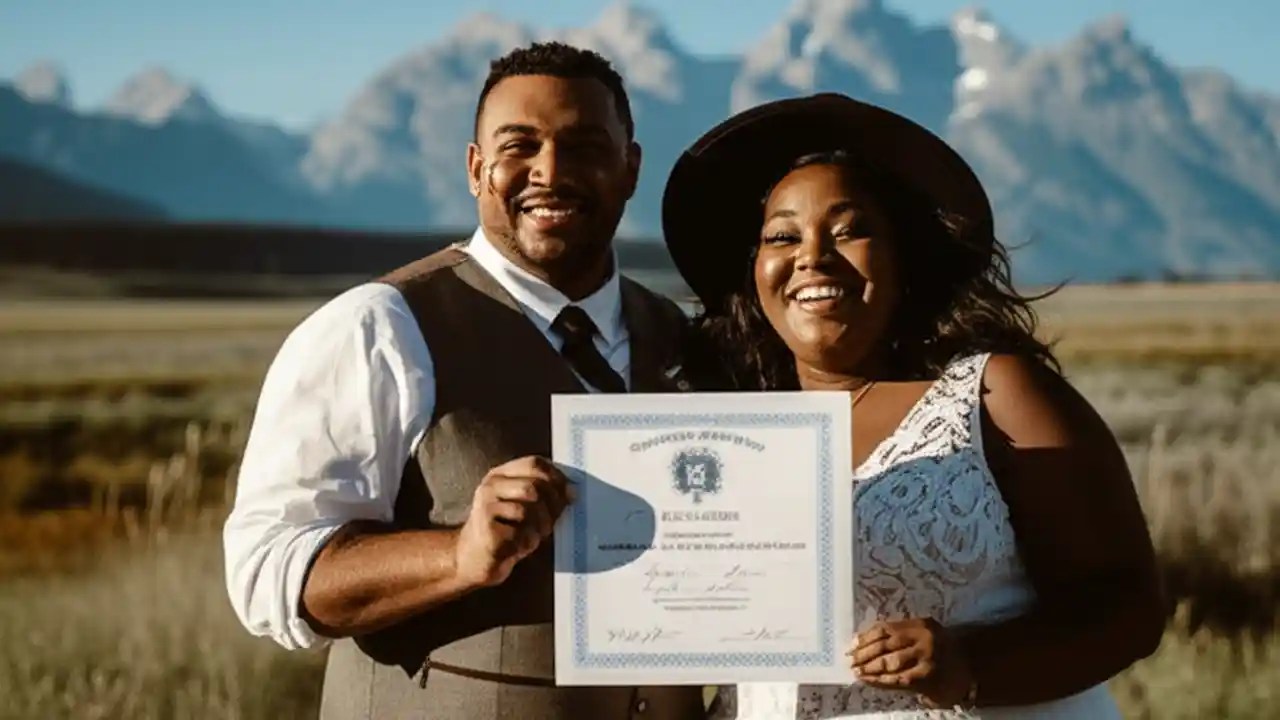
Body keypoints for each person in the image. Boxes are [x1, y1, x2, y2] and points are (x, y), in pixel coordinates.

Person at [223, 41, 704, 720]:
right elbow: (268, 574)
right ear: (476, 169)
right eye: (520, 146)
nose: (550, 171)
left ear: (630, 169)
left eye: (585, 146)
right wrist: (458, 555)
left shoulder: (684, 338)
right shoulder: (379, 328)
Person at [661, 94, 1166, 718]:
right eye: (782, 236)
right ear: (755, 272)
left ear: (904, 259)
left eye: (849, 230)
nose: (812, 257)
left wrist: (971, 665)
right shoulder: (718, 436)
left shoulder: (994, 396)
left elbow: (1129, 609)